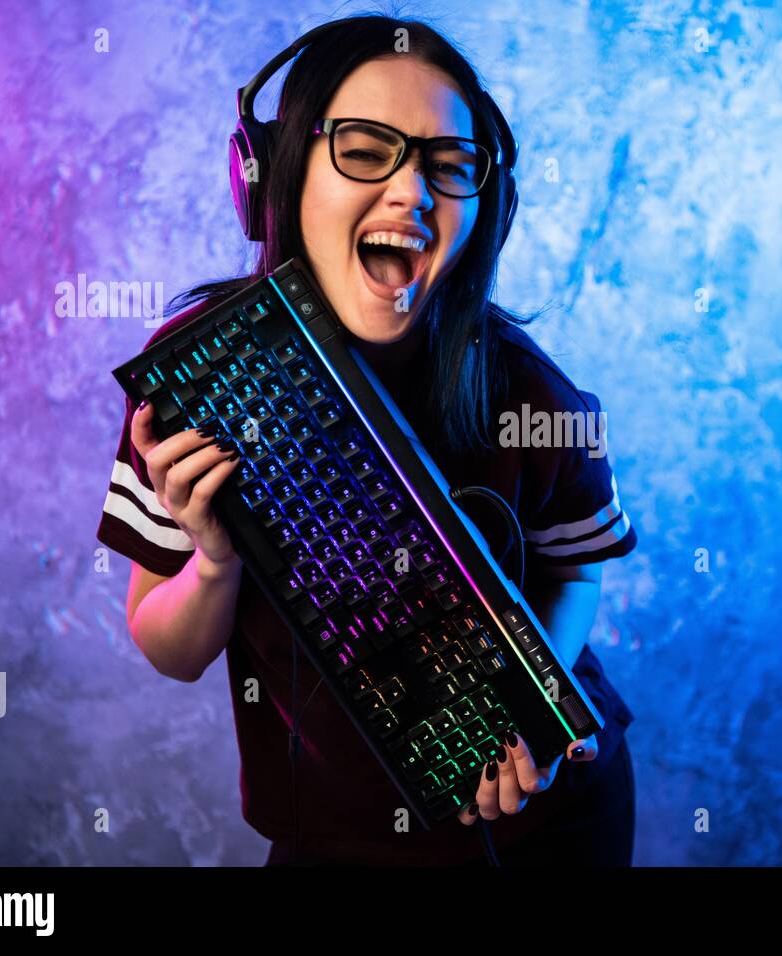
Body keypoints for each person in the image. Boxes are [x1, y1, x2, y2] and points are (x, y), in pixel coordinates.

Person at [96, 14, 640, 866]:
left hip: (542, 823)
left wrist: (525, 708)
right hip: (331, 829)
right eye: (363, 148)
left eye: (447, 166)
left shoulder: (532, 393)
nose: (411, 191)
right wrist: (213, 561)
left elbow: (576, 567)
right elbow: (169, 648)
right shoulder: (194, 388)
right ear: (280, 175)